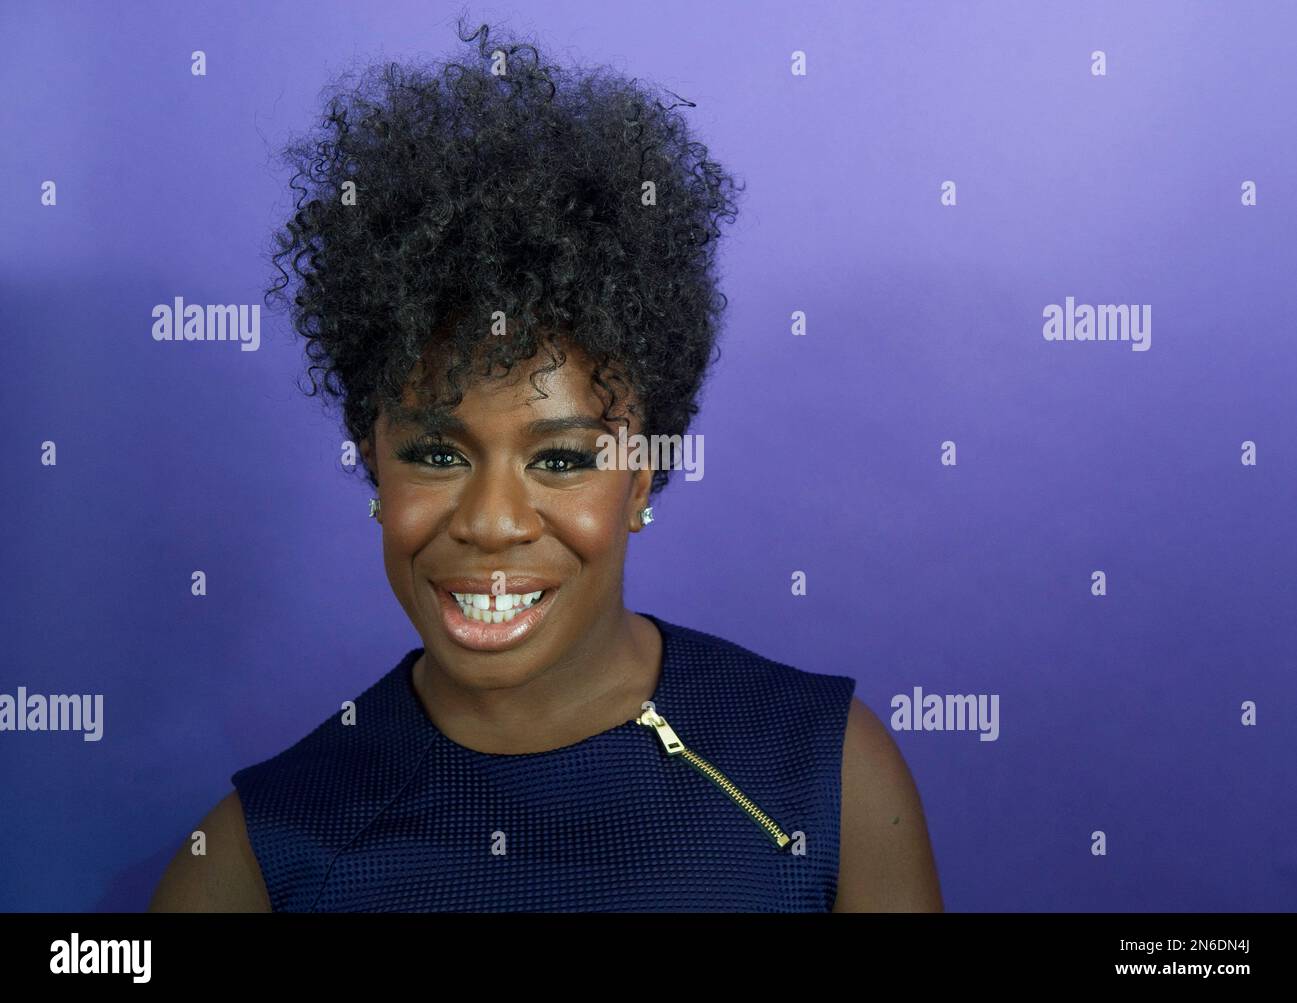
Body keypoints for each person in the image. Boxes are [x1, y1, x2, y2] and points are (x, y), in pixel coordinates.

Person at [149, 18, 942, 913]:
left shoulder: (824, 776)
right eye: (437, 452)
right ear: (376, 467)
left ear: (640, 478)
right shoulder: (258, 862)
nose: (491, 521)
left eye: (561, 457)